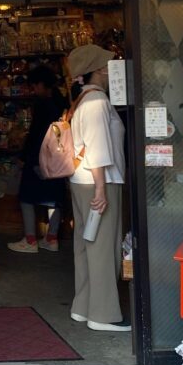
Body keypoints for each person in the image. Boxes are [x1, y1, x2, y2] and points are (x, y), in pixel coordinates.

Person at [66, 44, 130, 332]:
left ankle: (83, 306)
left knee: (86, 245)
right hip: (99, 182)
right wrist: (102, 190)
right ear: (98, 69)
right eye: (107, 64)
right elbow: (99, 148)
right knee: (104, 248)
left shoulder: (83, 100)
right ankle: (102, 314)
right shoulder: (97, 102)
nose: (111, 67)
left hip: (81, 182)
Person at [8, 66, 69, 254]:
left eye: (34, 86)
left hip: (39, 158)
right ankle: (51, 238)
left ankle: (30, 239)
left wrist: (25, 157)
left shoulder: (43, 104)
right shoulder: (62, 101)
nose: (34, 90)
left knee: (26, 197)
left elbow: (35, 135)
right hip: (59, 158)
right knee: (55, 198)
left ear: (41, 84)